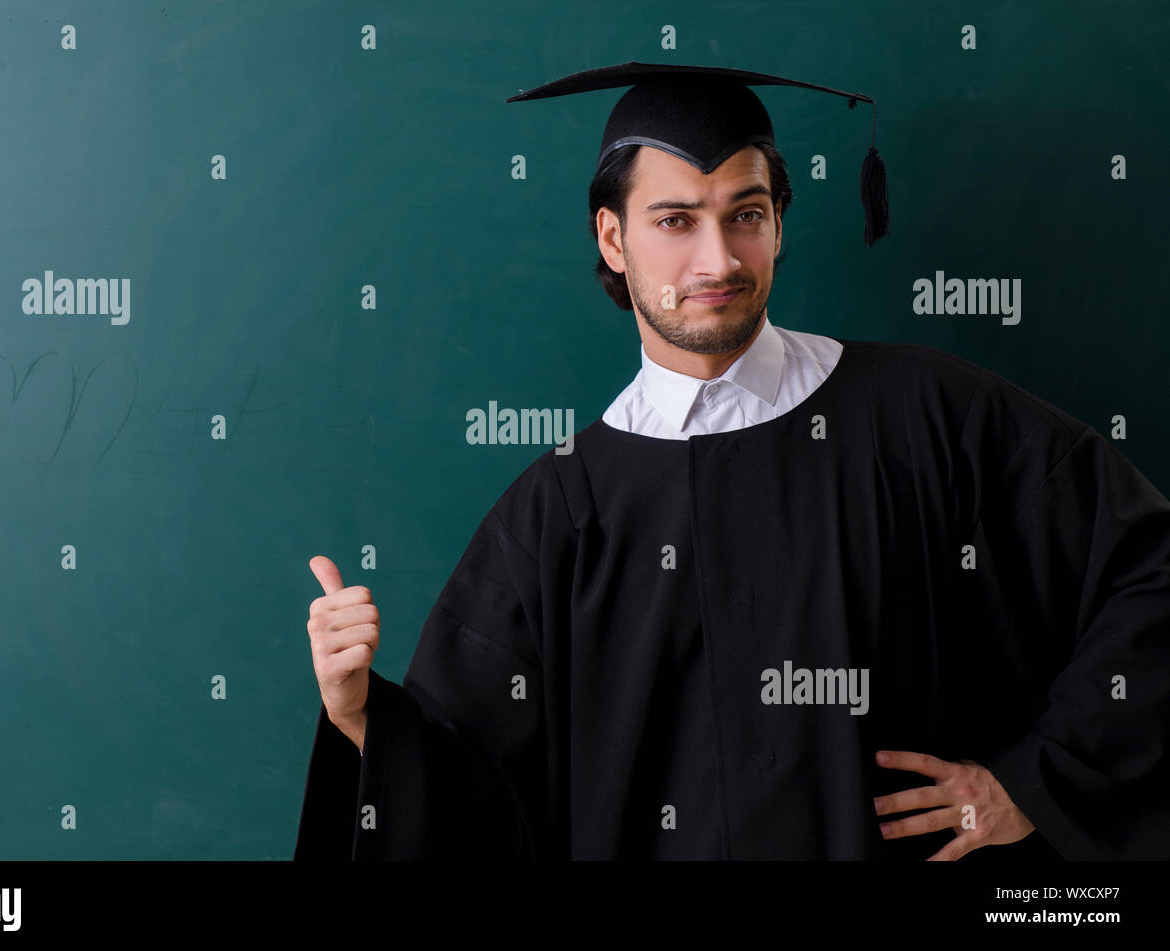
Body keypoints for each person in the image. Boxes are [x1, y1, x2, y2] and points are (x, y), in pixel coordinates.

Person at [293, 63, 1170, 860]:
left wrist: (1035, 784)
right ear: (612, 238)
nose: (718, 259)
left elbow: (1149, 568)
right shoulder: (557, 513)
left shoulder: (927, 414)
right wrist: (362, 715)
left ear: (779, 222)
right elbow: (477, 795)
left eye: (745, 214)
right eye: (675, 221)